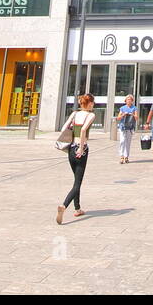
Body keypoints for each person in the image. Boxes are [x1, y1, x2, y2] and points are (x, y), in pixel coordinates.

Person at [57, 93, 95, 224]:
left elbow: (63, 129)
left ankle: (77, 208)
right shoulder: (90, 115)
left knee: (76, 181)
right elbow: (84, 129)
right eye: (92, 103)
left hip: (70, 149)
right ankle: (64, 205)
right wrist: (81, 147)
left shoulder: (74, 114)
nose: (93, 105)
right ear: (89, 103)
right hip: (81, 149)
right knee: (78, 183)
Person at [116, 94, 138, 164]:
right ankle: (121, 156)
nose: (129, 101)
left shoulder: (134, 108)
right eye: (128, 99)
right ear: (125, 101)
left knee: (128, 142)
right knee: (122, 141)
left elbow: (137, 118)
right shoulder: (122, 108)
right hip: (123, 126)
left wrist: (132, 115)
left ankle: (126, 156)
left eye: (130, 100)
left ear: (132, 101)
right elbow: (118, 118)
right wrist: (123, 114)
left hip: (130, 127)